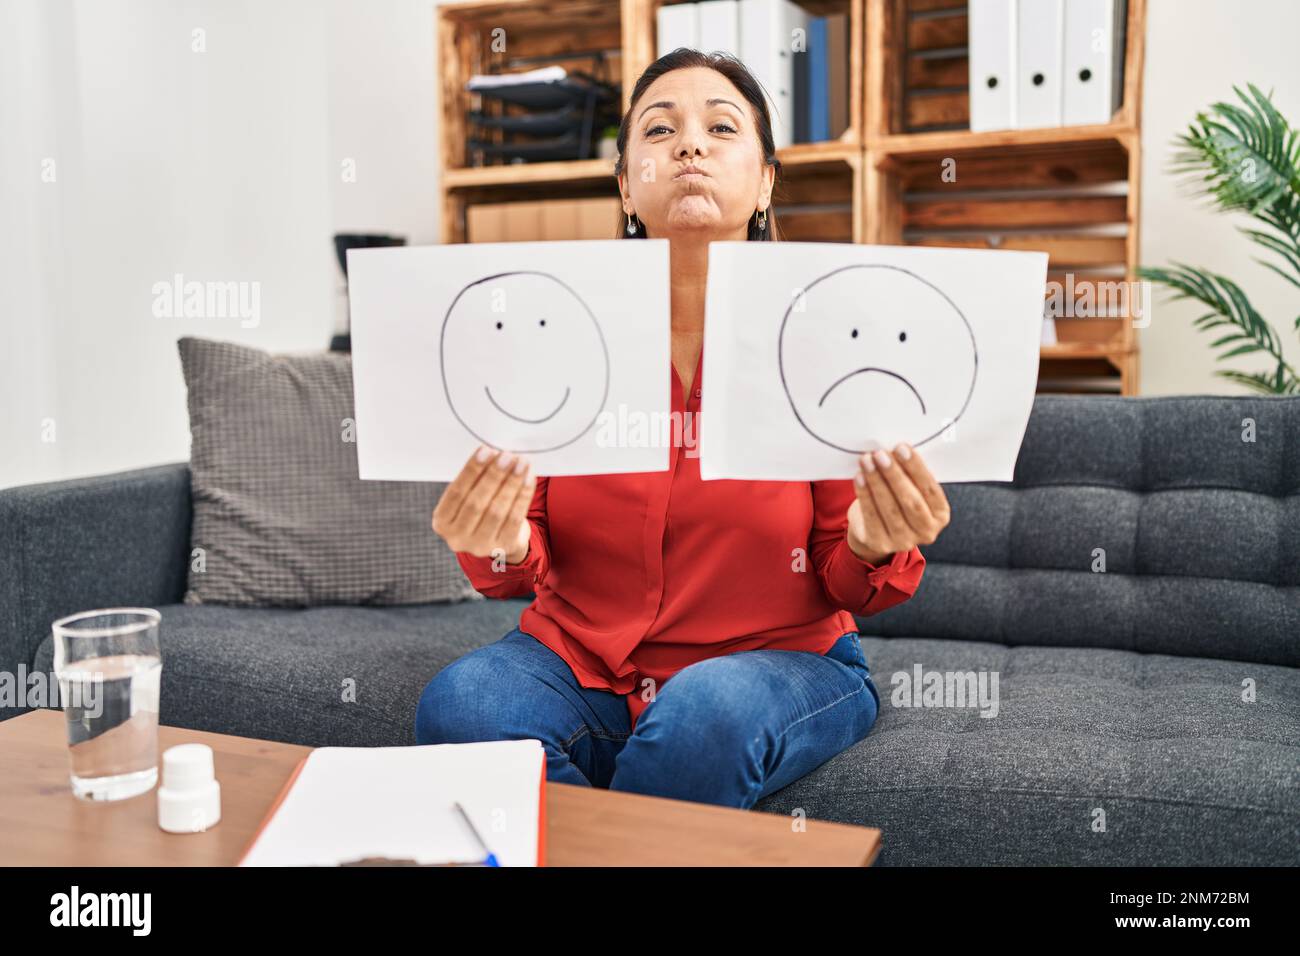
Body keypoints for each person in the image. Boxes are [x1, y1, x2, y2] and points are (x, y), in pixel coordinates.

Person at [415, 49, 951, 810]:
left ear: (765, 183)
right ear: (626, 186)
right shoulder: (555, 340)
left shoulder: (830, 346)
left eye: (721, 128)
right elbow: (515, 567)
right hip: (580, 661)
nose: (690, 145)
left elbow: (850, 582)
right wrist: (500, 536)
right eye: (660, 130)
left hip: (776, 662)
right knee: (463, 705)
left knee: (704, 715)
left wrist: (870, 541)